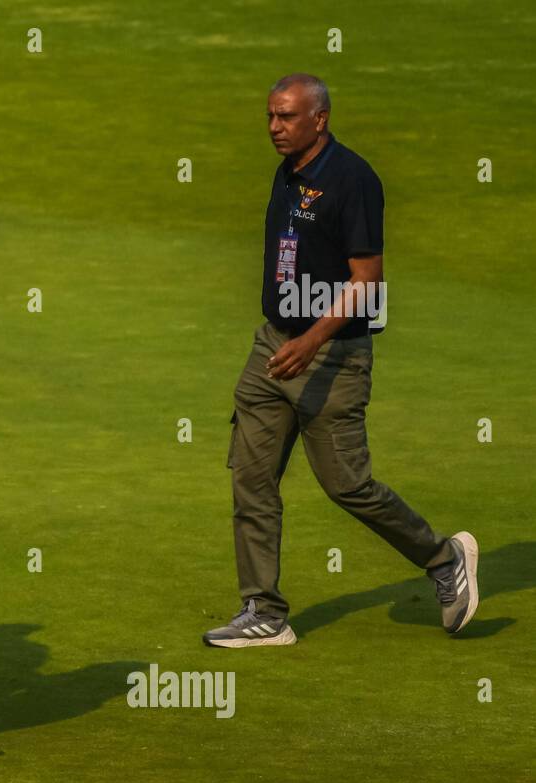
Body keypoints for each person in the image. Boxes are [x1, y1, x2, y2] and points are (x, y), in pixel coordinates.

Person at [204, 73, 479, 649]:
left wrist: (310, 341)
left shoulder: (352, 179)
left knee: (347, 485)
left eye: (287, 117)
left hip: (331, 354)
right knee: (251, 479)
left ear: (320, 118)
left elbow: (367, 280)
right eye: (271, 116)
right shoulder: (290, 173)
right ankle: (263, 610)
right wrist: (285, 335)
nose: (275, 128)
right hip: (271, 347)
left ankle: (444, 557)